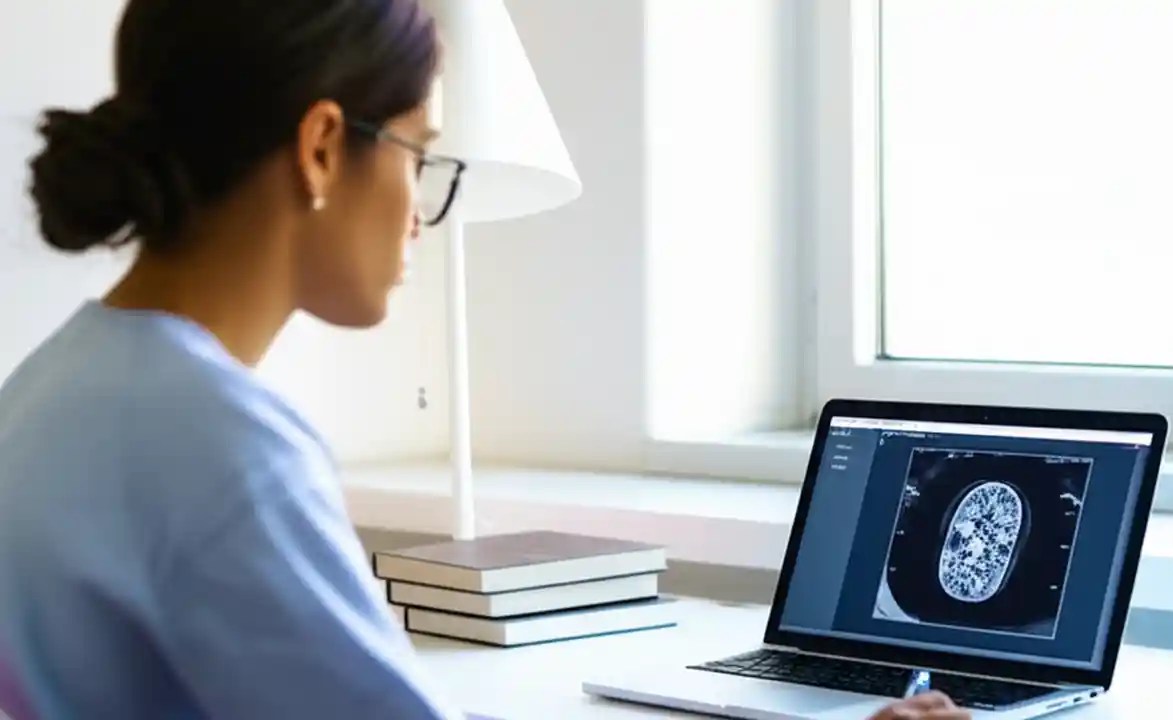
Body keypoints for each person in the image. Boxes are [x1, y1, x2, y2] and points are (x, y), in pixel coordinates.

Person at [0, 1, 968, 718]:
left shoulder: (51, 387)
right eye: (421, 155)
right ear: (323, 147)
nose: (422, 210)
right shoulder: (213, 440)